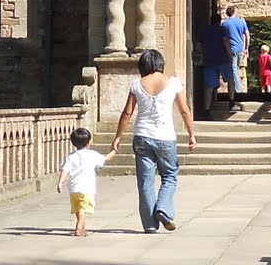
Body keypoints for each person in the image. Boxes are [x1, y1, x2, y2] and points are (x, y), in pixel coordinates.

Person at [108, 48, 197, 233]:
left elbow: (127, 113)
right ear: (160, 64)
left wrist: (118, 137)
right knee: (170, 176)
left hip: (142, 136)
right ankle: (163, 209)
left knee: (145, 182)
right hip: (165, 137)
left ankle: (149, 225)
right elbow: (184, 110)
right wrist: (191, 134)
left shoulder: (137, 84)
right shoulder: (173, 83)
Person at [55, 126, 107, 238]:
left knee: (78, 209)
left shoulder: (71, 157)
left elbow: (65, 170)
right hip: (87, 188)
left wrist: (60, 182)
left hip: (73, 188)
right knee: (83, 209)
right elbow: (105, 159)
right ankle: (78, 228)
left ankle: (82, 228)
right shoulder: (92, 154)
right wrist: (113, 150)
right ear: (89, 142)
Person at [219, 5, 250, 99]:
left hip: (231, 49)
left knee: (233, 70)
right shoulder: (241, 22)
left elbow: (223, 38)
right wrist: (246, 48)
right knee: (235, 69)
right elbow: (247, 35)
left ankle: (238, 91)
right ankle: (238, 90)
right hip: (240, 49)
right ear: (234, 12)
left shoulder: (225, 24)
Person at [199, 14, 226, 118]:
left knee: (209, 87)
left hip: (209, 60)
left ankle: (207, 109)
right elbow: (226, 42)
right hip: (222, 58)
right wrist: (229, 54)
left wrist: (204, 53)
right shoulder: (222, 30)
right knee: (230, 78)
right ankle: (232, 100)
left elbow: (198, 45)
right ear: (219, 21)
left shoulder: (204, 30)